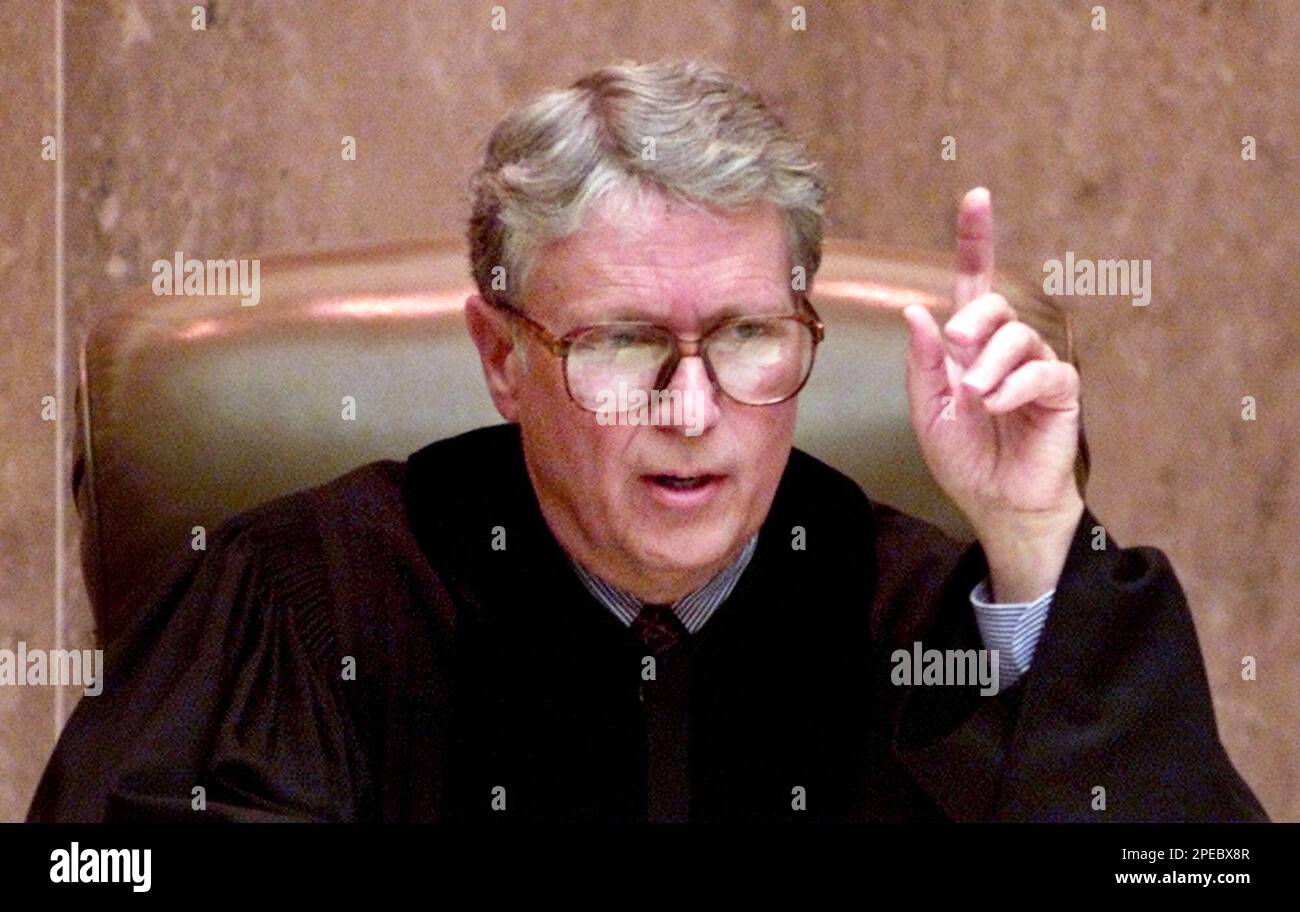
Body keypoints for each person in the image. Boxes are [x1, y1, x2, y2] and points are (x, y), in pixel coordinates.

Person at [29, 60, 1266, 822]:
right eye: (622, 347)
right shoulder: (309, 603)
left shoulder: (929, 618)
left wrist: (1037, 540)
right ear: (502, 356)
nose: (690, 412)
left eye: (745, 335)